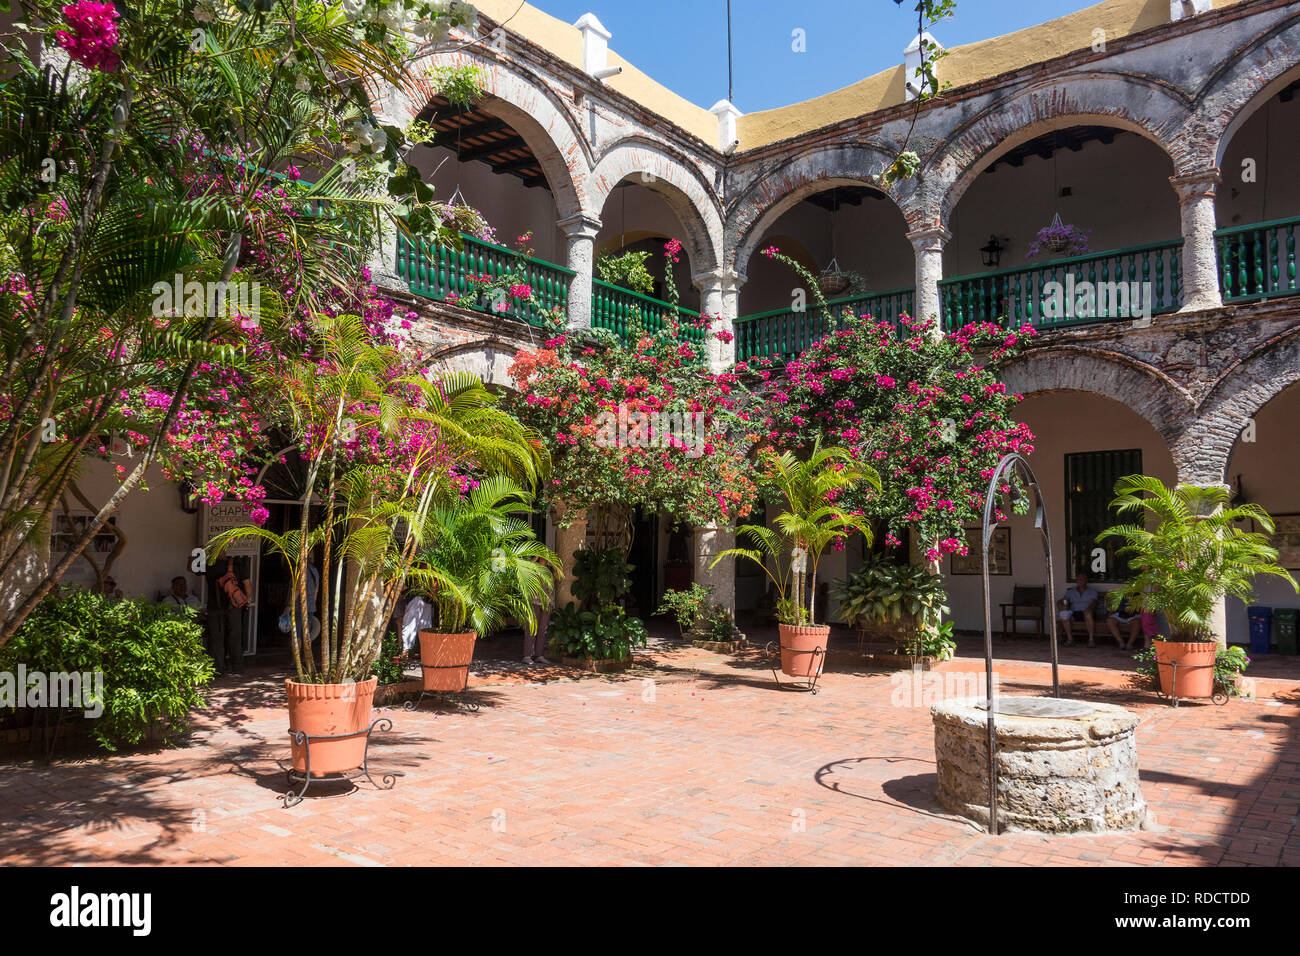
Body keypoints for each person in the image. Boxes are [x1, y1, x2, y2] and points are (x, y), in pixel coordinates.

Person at [205, 556, 251, 676]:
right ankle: (237, 667)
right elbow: (247, 584)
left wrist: (197, 552)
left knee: (216, 639)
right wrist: (247, 600)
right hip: (234, 606)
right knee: (235, 637)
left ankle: (218, 668)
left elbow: (191, 568)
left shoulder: (209, 565)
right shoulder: (236, 564)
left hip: (215, 607)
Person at [1057, 572, 1099, 647]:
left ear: (1086, 581)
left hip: (1088, 612)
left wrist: (1088, 609)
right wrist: (1061, 603)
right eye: (1077, 580)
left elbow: (1093, 603)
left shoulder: (1092, 591)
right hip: (1074, 612)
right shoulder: (1071, 591)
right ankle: (1070, 640)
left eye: (1081, 579)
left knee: (1088, 614)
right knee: (1064, 615)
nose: (1079, 581)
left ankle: (1091, 640)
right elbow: (1064, 600)